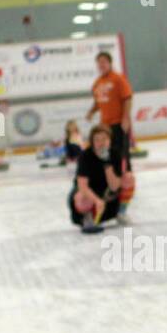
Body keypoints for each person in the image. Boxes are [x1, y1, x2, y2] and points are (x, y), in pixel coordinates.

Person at [85, 51, 135, 219]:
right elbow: (98, 101)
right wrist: (91, 112)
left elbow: (127, 98)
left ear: (110, 63)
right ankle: (110, 183)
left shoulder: (118, 79)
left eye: (104, 62)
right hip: (104, 127)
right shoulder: (97, 83)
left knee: (122, 155)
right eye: (99, 62)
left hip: (118, 123)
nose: (101, 65)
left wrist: (126, 118)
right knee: (106, 156)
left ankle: (127, 184)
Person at [67, 124, 122, 232]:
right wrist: (96, 200)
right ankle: (87, 218)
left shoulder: (115, 155)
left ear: (110, 140)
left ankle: (121, 212)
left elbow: (114, 187)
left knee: (128, 179)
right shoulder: (85, 156)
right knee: (83, 197)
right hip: (89, 196)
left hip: (106, 197)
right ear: (92, 142)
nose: (101, 143)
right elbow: (82, 187)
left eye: (104, 139)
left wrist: (107, 164)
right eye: (97, 140)